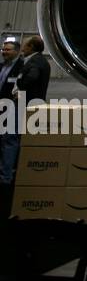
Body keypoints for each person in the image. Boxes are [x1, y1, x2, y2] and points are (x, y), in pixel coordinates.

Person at [0, 37, 21, 187]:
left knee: (9, 140)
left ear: (17, 51)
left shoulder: (21, 67)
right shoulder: (1, 66)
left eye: (8, 50)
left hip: (12, 107)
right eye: (3, 49)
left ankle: (6, 176)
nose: (4, 52)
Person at [15, 35, 49, 103]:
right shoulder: (40, 59)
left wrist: (21, 90)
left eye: (24, 46)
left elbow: (32, 77)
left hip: (28, 101)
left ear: (31, 46)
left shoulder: (35, 61)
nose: (22, 49)